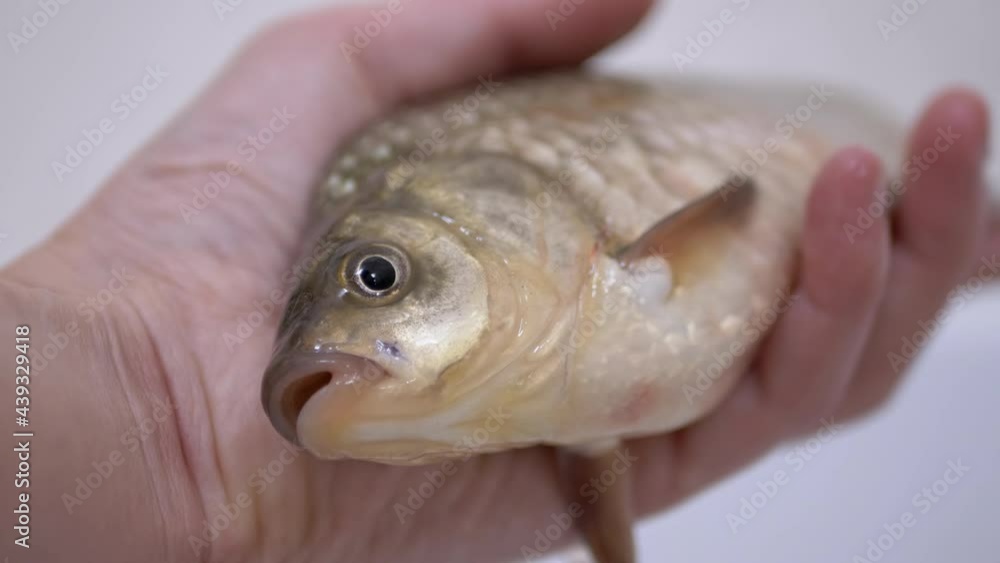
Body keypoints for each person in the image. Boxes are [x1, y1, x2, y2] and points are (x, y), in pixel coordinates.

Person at [2, 0, 996, 561]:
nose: (325, 350)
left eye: (380, 273)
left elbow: (729, 213)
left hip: (839, 146)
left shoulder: (596, 257)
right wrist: (168, 453)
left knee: (919, 212)